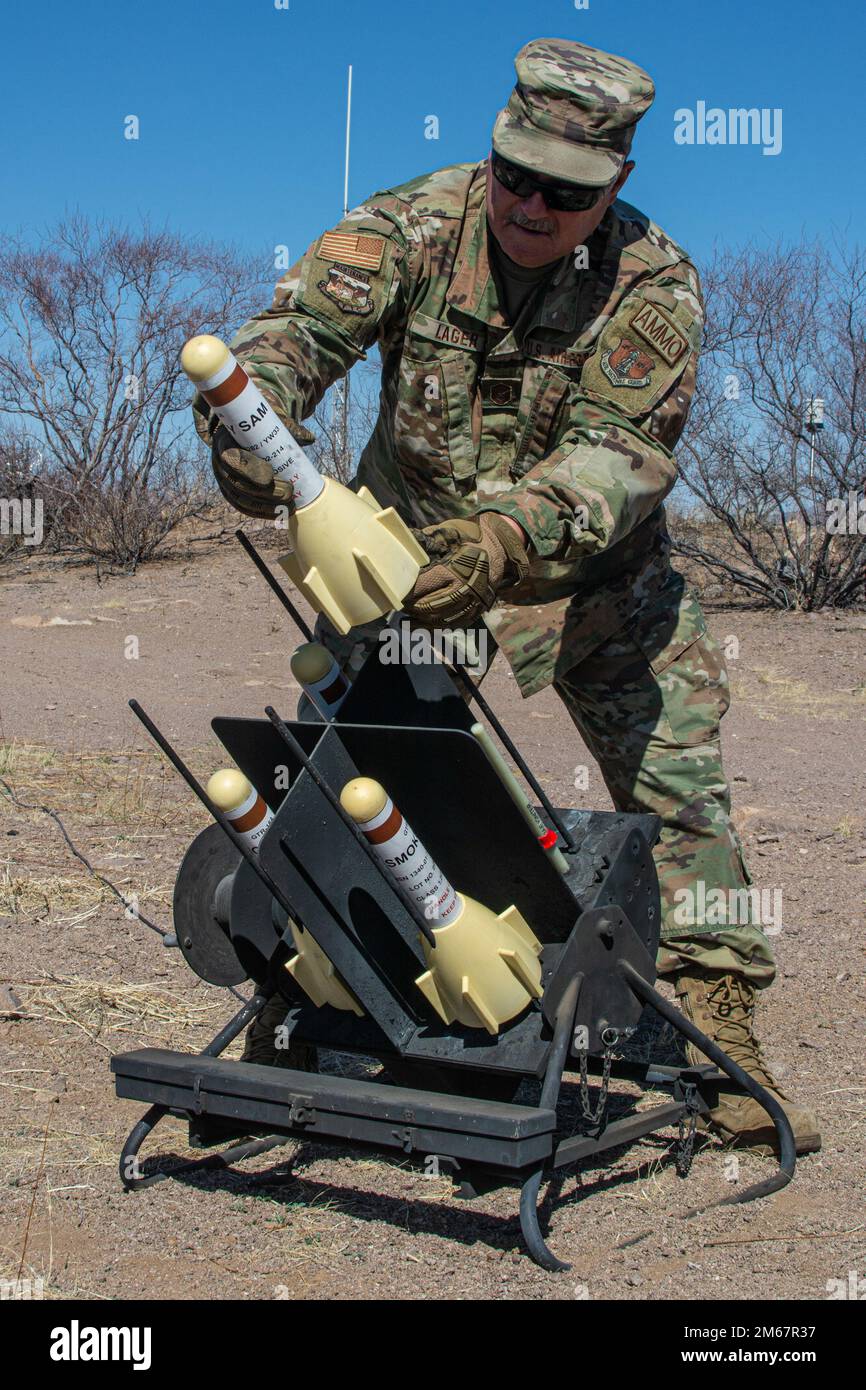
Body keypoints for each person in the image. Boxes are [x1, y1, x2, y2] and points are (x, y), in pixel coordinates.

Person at [194, 38, 819, 1154]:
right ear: (492, 152)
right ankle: (319, 998)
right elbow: (293, 335)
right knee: (347, 774)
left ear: (613, 186)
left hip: (589, 579)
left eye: (565, 191)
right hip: (400, 564)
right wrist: (254, 424)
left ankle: (716, 1017)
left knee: (677, 791)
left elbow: (612, 457)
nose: (531, 205)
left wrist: (501, 540)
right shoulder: (410, 225)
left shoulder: (654, 288)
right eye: (515, 174)